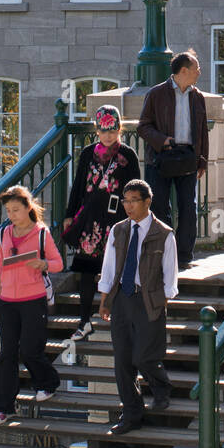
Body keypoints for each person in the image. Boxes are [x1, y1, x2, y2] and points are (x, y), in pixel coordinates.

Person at [97, 179, 178, 436]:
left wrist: (162, 300)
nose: (129, 206)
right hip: (122, 297)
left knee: (144, 356)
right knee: (122, 359)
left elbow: (170, 272)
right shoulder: (118, 230)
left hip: (149, 298)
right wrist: (105, 299)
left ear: (147, 202)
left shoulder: (163, 233)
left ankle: (161, 386)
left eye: (134, 201)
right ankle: (131, 413)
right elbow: (109, 267)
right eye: (125, 201)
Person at [61, 105, 140, 341]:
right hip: (89, 220)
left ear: (119, 128)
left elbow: (136, 188)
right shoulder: (87, 154)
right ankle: (84, 321)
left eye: (113, 129)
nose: (108, 135)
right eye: (104, 130)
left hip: (116, 219)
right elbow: (77, 185)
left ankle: (120, 320)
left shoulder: (127, 155)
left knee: (117, 269)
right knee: (86, 271)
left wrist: (135, 217)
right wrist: (70, 213)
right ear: (97, 130)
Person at [0, 185, 63, 425]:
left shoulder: (42, 233)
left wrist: (43, 264)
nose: (12, 215)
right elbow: (1, 264)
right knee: (7, 353)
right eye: (8, 211)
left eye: (16, 210)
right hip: (7, 302)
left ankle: (47, 383)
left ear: (28, 208)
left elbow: (58, 264)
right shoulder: (3, 233)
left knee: (31, 349)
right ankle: (3, 406)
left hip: (33, 300)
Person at [136, 49, 208, 270]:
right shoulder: (157, 93)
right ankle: (163, 253)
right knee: (158, 205)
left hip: (187, 157)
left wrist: (202, 160)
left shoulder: (197, 97)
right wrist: (163, 140)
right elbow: (143, 126)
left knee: (189, 207)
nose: (199, 72)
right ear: (184, 70)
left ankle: (184, 256)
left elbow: (203, 131)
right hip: (161, 157)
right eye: (196, 69)